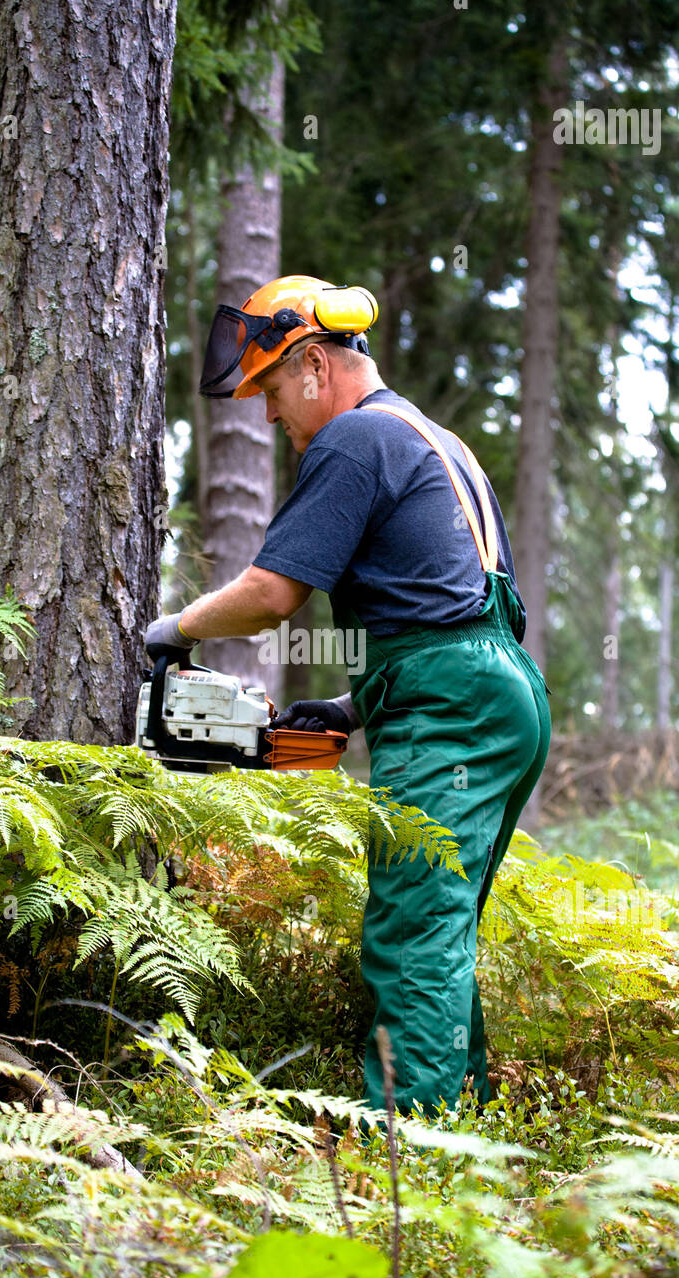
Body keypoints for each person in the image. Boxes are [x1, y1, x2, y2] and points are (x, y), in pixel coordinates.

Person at [145, 274, 551, 1121]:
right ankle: (466, 1128)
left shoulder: (354, 441)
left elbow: (272, 592)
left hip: (452, 709)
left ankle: (414, 1153)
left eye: (271, 391)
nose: (268, 417)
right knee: (440, 926)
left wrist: (174, 629)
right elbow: (455, 605)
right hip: (500, 692)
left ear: (316, 365)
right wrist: (353, 706)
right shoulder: (433, 437)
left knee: (413, 933)